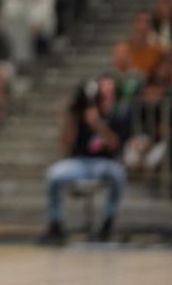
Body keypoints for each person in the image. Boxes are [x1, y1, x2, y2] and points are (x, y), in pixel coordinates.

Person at [41, 76, 129, 244]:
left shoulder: (119, 113)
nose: (105, 95)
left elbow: (115, 145)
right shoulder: (79, 113)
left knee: (118, 174)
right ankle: (56, 223)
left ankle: (107, 223)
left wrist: (97, 125)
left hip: (105, 163)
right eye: (103, 91)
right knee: (53, 175)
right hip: (80, 162)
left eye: (109, 92)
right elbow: (66, 147)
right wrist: (71, 118)